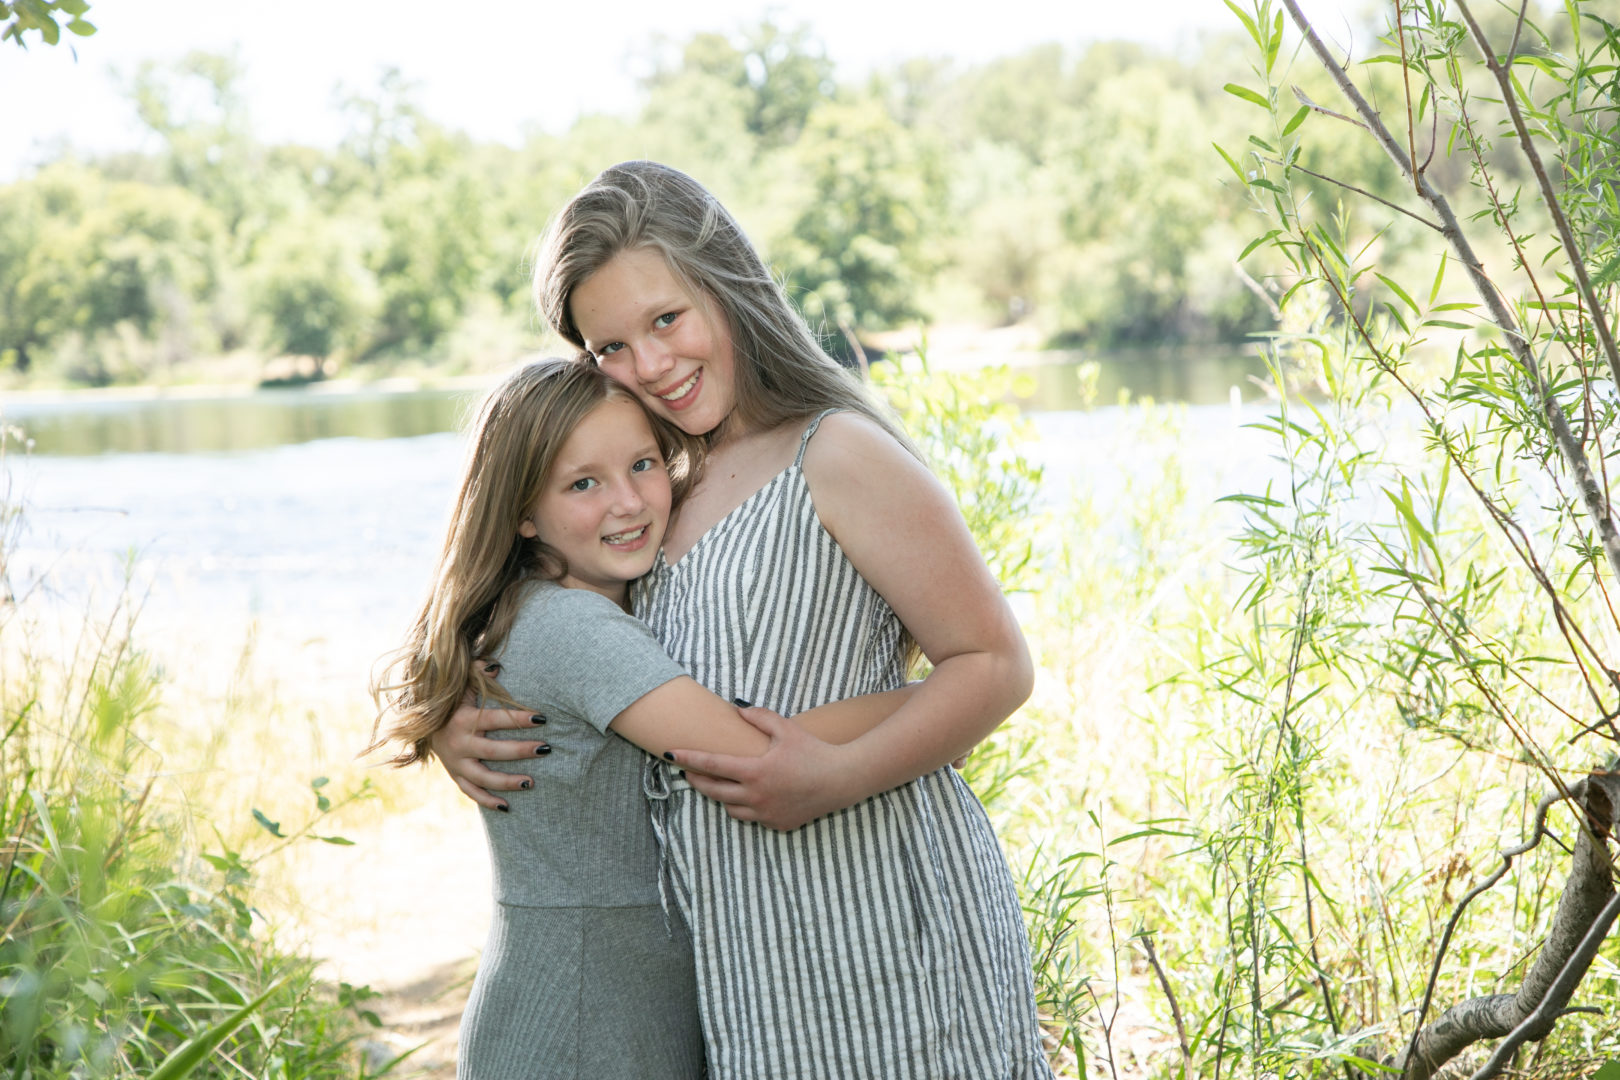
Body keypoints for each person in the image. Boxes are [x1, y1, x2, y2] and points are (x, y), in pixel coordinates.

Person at [434, 161, 1053, 1079]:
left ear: (728, 286)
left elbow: (995, 663)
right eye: (609, 348)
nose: (649, 366)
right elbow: (536, 615)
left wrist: (835, 776)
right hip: (741, 955)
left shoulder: (833, 453)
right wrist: (458, 709)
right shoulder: (655, 486)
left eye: (666, 320)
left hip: (883, 907)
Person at [369, 358, 913, 1080]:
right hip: (581, 1019)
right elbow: (741, 749)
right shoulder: (570, 627)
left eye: (643, 464)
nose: (626, 502)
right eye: (582, 483)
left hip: (618, 1004)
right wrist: (925, 708)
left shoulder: (603, 599)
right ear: (523, 511)